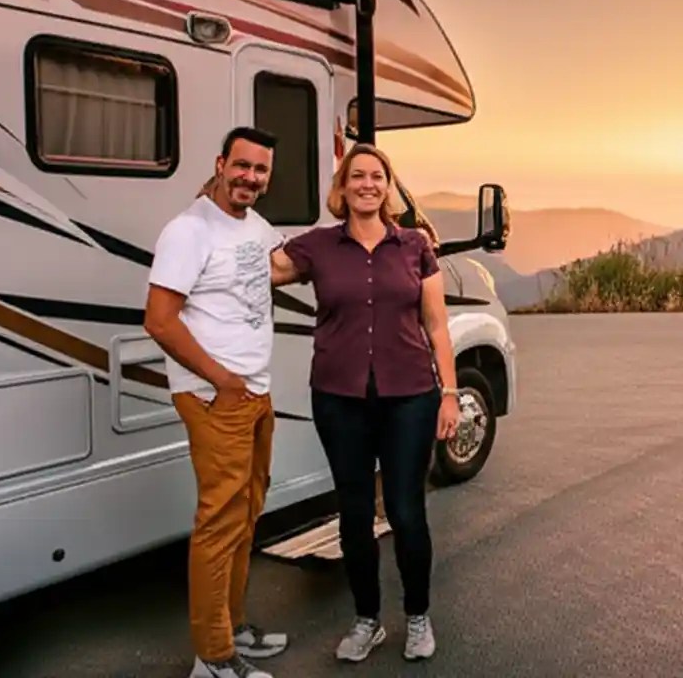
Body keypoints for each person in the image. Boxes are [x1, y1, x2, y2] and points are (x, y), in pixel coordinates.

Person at [268, 142, 461, 663]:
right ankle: (367, 620)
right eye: (357, 176)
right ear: (343, 187)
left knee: (404, 511)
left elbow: (437, 325)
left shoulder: (415, 245)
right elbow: (259, 270)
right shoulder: (318, 247)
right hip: (339, 398)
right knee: (353, 515)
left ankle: (418, 616)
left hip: (411, 398)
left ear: (388, 185)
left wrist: (449, 393)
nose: (368, 184)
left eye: (377, 176)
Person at [144, 126, 290, 678]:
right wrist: (222, 379)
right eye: (243, 166)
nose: (251, 177)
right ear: (221, 162)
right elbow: (158, 320)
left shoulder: (253, 225)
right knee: (219, 521)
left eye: (261, 170)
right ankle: (212, 657)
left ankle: (233, 627)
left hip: (254, 392)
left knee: (247, 514)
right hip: (215, 396)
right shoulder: (188, 230)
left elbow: (285, 266)